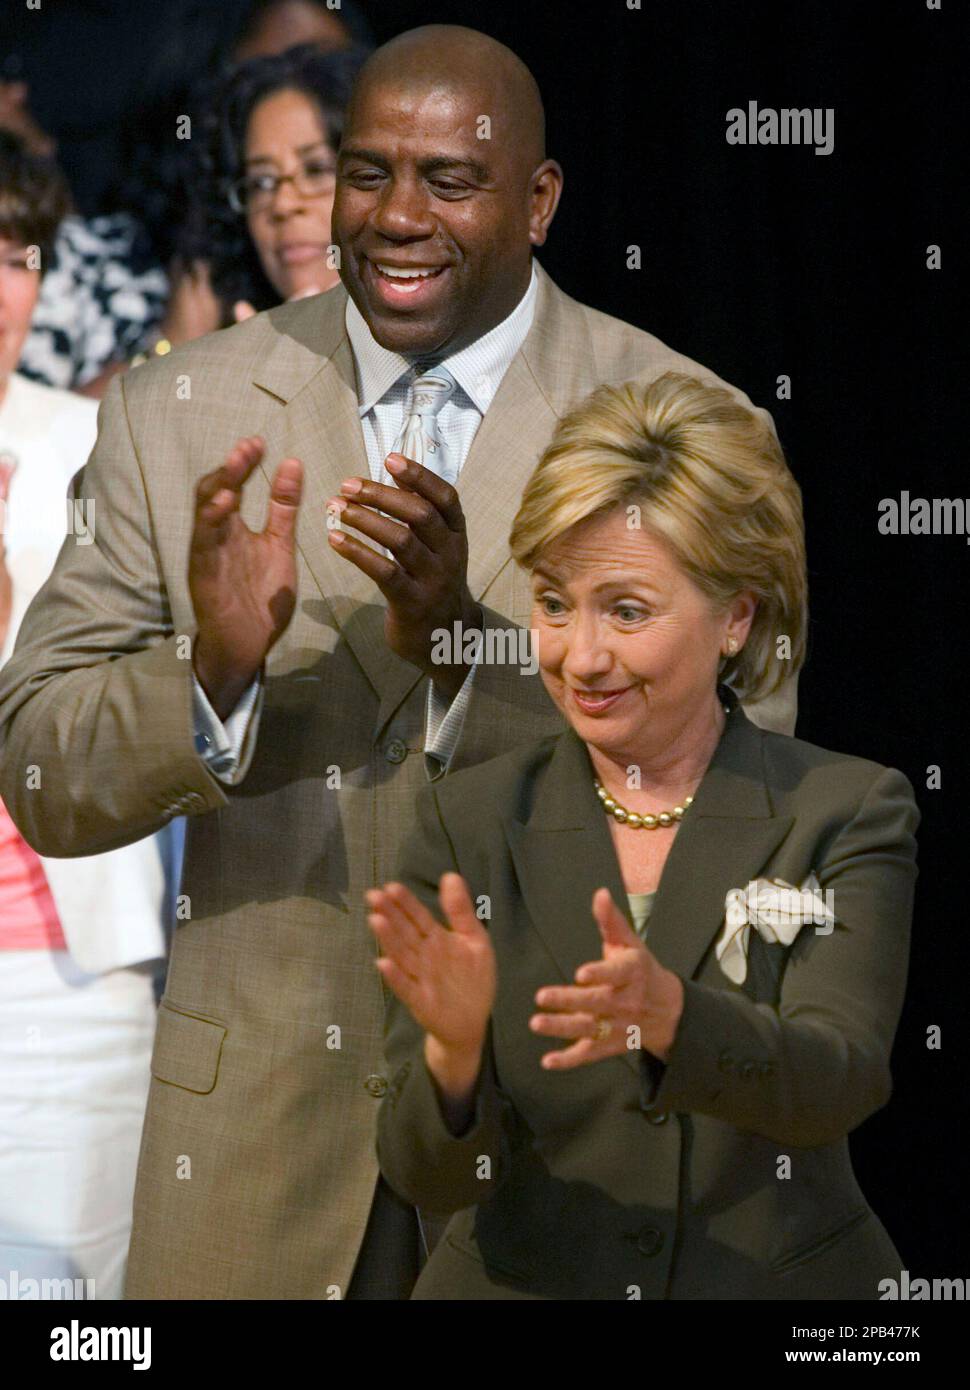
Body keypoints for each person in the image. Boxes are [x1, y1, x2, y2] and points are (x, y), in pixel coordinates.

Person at [0, 26, 796, 1301]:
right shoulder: (177, 412)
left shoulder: (680, 420)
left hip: (559, 1157)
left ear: (539, 202)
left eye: (449, 180)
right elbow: (40, 758)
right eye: (366, 175)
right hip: (247, 1164)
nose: (394, 217)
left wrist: (466, 664)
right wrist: (215, 676)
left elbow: (745, 810)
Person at [369, 371, 919, 1301]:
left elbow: (840, 1080)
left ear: (737, 616)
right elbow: (427, 1177)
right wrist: (453, 1062)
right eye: (552, 604)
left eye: (626, 611)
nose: (579, 657)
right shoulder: (465, 824)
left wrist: (676, 1020)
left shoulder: (847, 807)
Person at [0, 130, 179, 1299]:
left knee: (73, 1316)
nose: (1, 286)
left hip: (67, 979)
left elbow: (163, 711)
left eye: (20, 251)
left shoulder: (100, 446)